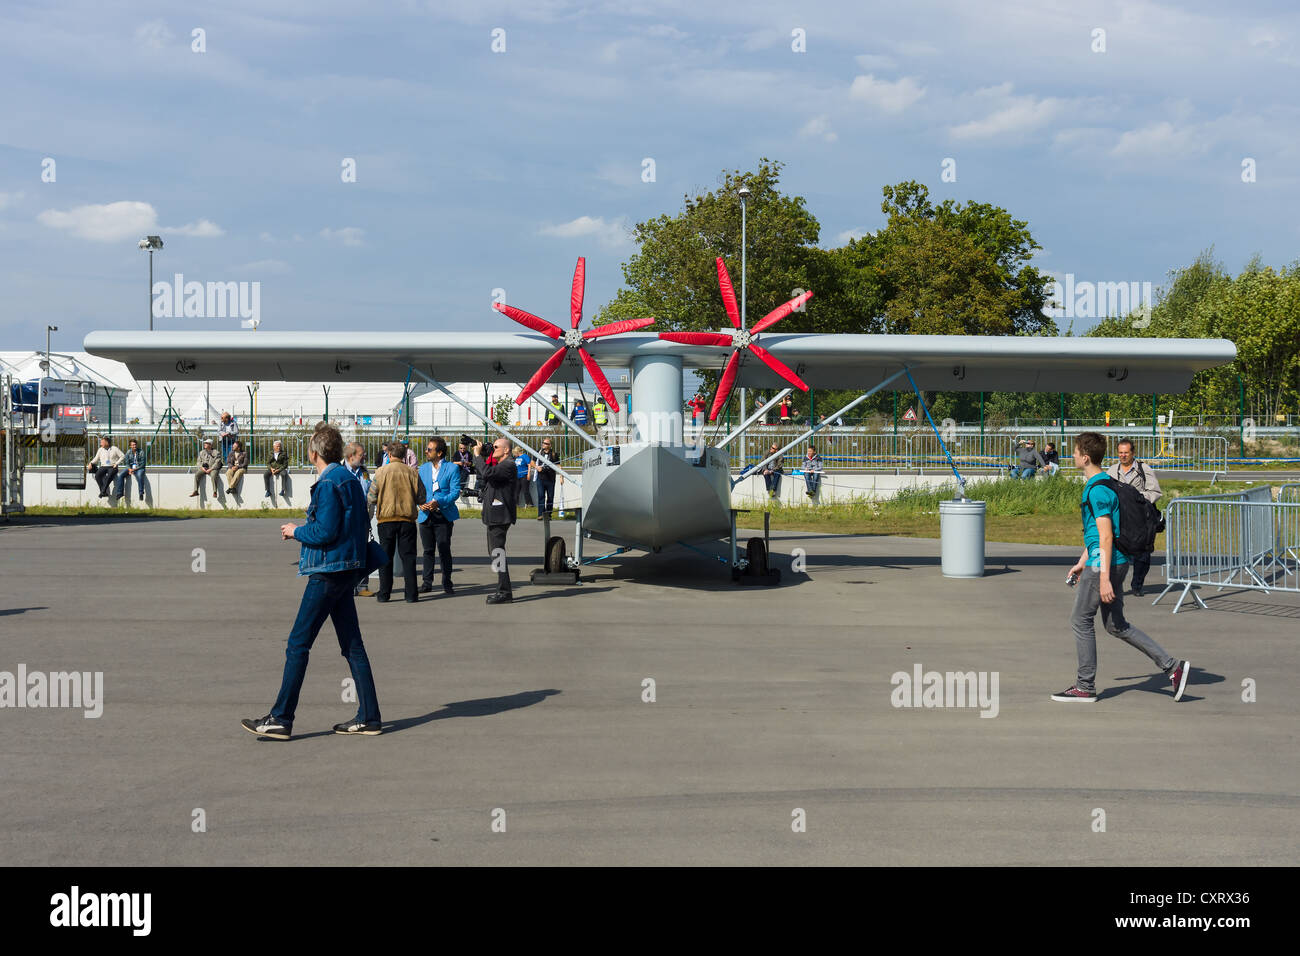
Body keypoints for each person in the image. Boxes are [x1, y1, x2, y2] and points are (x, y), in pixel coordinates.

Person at [242, 422, 382, 740]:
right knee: (353, 647)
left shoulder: (329, 482)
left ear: (314, 452)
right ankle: (370, 717)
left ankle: (281, 717)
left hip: (328, 572)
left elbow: (325, 531)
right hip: (347, 571)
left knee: (298, 644)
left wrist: (295, 531)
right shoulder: (350, 479)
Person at [1052, 432, 1189, 704]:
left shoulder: (1097, 489)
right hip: (1109, 561)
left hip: (1105, 564)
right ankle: (1173, 667)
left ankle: (1084, 686)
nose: (1073, 455)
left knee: (1080, 620)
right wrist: (1082, 561)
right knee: (1117, 626)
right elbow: (1099, 532)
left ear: (1085, 457)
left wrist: (1102, 578)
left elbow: (1105, 536)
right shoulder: (1105, 482)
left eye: (1075, 451)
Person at [367, 440, 424, 603]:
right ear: (405, 455)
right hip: (407, 519)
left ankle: (384, 594)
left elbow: (371, 497)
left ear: (389, 454)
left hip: (386, 519)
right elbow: (422, 497)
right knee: (409, 557)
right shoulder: (413, 473)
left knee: (385, 558)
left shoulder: (380, 472)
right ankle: (411, 595)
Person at [1107, 438, 1163, 596]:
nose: (1123, 455)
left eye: (1126, 452)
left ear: (1133, 453)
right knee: (1116, 552)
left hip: (1140, 520)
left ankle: (1137, 585)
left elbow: (1155, 492)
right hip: (1120, 520)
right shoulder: (1111, 471)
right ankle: (1114, 585)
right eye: (1120, 453)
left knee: (1142, 555)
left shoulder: (1143, 469)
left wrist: (1136, 498)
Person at [474, 436, 518, 604]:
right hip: (494, 517)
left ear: (506, 450)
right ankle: (502, 588)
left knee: (498, 553)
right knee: (495, 553)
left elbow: (486, 472)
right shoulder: (501, 465)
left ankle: (505, 592)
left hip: (500, 517)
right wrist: (482, 457)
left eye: (496, 447)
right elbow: (485, 475)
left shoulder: (508, 465)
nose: (494, 449)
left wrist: (478, 456)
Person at [418, 437, 462, 595]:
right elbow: (418, 491)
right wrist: (420, 503)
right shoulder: (422, 469)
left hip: (443, 514)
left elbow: (455, 492)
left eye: (430, 449)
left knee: (444, 549)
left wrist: (439, 502)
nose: (426, 451)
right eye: (427, 448)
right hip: (425, 515)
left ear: (440, 452)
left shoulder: (451, 468)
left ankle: (447, 581)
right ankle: (427, 582)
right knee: (427, 550)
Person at [113, 438, 150, 503]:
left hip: (139, 468)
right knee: (121, 475)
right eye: (132, 445)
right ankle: (120, 493)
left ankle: (141, 493)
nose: (134, 446)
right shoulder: (128, 452)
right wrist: (130, 469)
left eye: (135, 445)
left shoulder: (141, 451)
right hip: (130, 468)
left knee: (139, 475)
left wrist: (134, 469)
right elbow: (126, 463)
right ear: (130, 446)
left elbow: (143, 463)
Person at [532, 436, 558, 519]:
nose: (543, 444)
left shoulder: (554, 454)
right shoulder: (538, 452)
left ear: (550, 445)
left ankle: (548, 515)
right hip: (541, 478)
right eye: (543, 443)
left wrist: (561, 477)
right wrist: (537, 467)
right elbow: (532, 462)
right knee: (541, 496)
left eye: (546, 443)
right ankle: (540, 514)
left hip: (550, 478)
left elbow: (558, 465)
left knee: (550, 497)